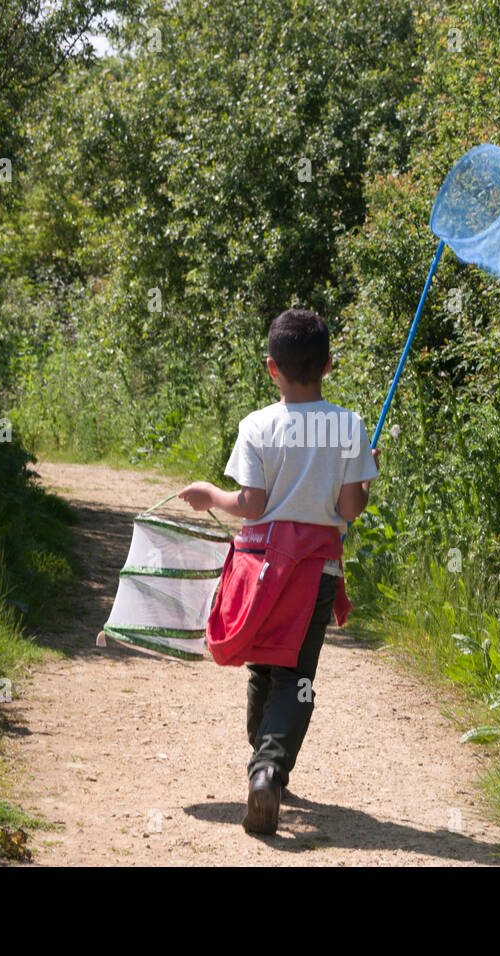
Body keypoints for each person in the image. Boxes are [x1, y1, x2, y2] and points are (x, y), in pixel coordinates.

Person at [178, 308, 379, 834]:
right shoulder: (350, 426)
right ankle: (269, 766)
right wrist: (363, 472)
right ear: (329, 365)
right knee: (298, 676)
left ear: (272, 368)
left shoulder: (257, 424)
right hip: (316, 571)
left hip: (259, 565)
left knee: (262, 665)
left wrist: (209, 497)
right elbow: (350, 508)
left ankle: (261, 755)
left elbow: (250, 502)